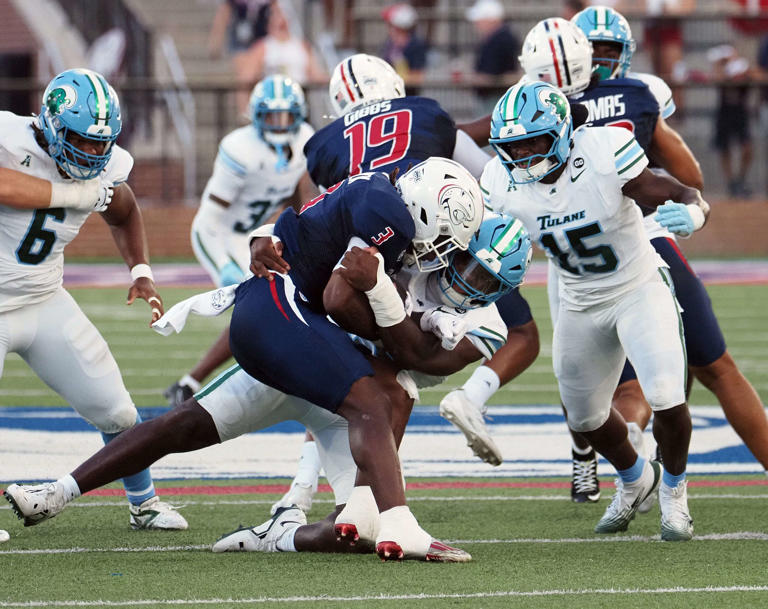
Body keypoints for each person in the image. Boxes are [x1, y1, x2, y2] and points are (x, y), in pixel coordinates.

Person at [4, 157, 486, 562]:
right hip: (288, 319)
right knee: (377, 400)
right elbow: (343, 298)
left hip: (305, 340)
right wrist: (388, 311)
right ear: (425, 209)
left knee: (189, 428)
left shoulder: (388, 191)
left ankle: (61, 493)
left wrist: (401, 312)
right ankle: (400, 523)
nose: (443, 258)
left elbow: (312, 226)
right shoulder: (392, 215)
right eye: (446, 243)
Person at [211, 211, 533, 553]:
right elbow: (337, 216)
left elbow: (417, 358)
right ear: (456, 247)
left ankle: (278, 537)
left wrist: (393, 299)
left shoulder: (489, 327)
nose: (468, 282)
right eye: (468, 265)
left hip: (362, 405)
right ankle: (296, 486)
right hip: (314, 363)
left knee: (360, 532)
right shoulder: (420, 248)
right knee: (182, 428)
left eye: (485, 281)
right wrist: (269, 233)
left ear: (503, 291)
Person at [485, 78, 710, 541]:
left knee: (666, 396)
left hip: (637, 287)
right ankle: (635, 478)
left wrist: (694, 209)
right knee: (584, 418)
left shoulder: (604, 150)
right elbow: (490, 244)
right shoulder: (499, 182)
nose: (522, 155)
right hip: (579, 300)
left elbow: (673, 189)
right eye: (512, 146)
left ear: (561, 134)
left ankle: (674, 492)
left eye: (532, 142)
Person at [296, 53, 539, 481]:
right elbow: (486, 179)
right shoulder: (426, 113)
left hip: (371, 245)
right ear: (393, 85)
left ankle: (304, 487)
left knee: (361, 364)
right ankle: (464, 400)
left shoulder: (322, 144)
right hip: (443, 232)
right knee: (515, 332)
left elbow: (327, 211)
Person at [568, 7, 768, 503]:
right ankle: (634, 458)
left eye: (607, 51)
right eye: (595, 51)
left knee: (621, 387)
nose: (601, 60)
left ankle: (623, 454)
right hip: (644, 239)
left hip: (581, 253)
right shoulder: (641, 92)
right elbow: (690, 178)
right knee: (714, 368)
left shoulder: (550, 102)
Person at [0, 68, 186, 531]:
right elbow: (6, 186)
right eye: (82, 140)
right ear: (52, 124)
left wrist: (141, 272)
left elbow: (124, 210)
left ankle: (144, 503)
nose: (92, 152)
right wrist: (77, 192)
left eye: (101, 143)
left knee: (117, 410)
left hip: (44, 299)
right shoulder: (8, 138)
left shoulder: (108, 167)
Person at [163, 74, 317, 408]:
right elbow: (208, 220)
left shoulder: (305, 138)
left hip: (252, 236)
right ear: (257, 116)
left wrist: (295, 226)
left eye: (286, 116)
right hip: (219, 235)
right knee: (258, 306)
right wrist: (224, 267)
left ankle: (189, 383)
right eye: (272, 116)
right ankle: (197, 384)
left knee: (272, 304)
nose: (280, 124)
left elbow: (293, 189)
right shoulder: (240, 149)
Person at [237, 2, 326, 104]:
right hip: (271, 102)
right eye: (275, 15)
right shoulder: (262, 48)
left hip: (297, 101)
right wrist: (245, 108)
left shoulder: (302, 46)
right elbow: (246, 79)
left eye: (281, 14)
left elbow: (316, 76)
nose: (279, 19)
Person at [707, 45, 753, 198]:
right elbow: (716, 78)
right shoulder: (721, 71)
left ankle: (740, 179)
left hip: (740, 114)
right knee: (724, 148)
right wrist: (720, 64)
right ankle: (731, 183)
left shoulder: (743, 68)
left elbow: (751, 75)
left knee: (747, 148)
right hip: (725, 114)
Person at [466, 0, 521, 111]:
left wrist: (469, 79)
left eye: (480, 20)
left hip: (495, 97)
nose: (476, 24)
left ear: (490, 19)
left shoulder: (498, 40)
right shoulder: (502, 37)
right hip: (497, 96)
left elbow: (490, 76)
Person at [380, 4, 429, 94]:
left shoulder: (415, 45)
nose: (390, 29)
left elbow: (418, 77)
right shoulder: (390, 44)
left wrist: (393, 78)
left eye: (392, 26)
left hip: (408, 94)